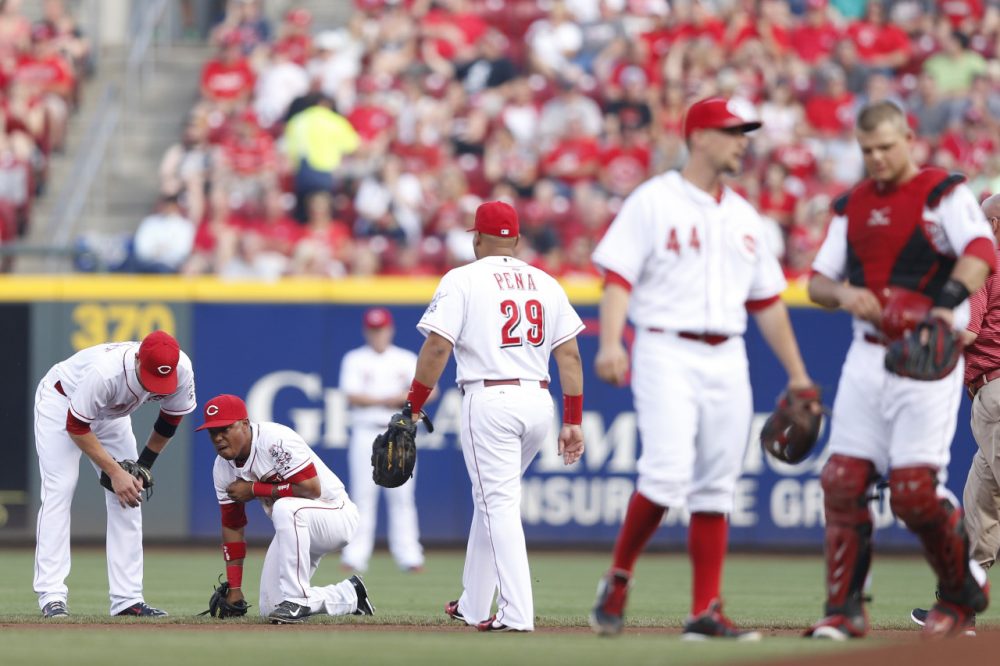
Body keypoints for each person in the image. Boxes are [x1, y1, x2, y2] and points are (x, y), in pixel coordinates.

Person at [588, 97, 819, 640]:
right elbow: (618, 276)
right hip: (665, 347)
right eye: (732, 131)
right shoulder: (653, 200)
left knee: (717, 487)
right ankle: (619, 577)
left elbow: (768, 302)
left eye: (745, 132)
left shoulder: (745, 217)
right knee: (665, 475)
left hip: (727, 355)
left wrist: (799, 374)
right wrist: (613, 340)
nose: (743, 141)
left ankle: (705, 611)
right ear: (699, 137)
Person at [806, 100, 994, 640]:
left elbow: (980, 249)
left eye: (886, 147)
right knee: (842, 480)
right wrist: (844, 293)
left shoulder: (943, 193)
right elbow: (817, 281)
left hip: (926, 348)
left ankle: (959, 591)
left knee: (913, 490)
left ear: (908, 138)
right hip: (867, 353)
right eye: (868, 151)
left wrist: (945, 303)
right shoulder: (852, 205)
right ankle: (843, 608)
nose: (878, 158)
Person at [405, 200, 585, 632]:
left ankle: (516, 613)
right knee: (491, 502)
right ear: (518, 241)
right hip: (538, 403)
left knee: (497, 504)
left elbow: (437, 348)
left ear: (476, 239)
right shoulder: (545, 282)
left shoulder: (463, 278)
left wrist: (413, 406)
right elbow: (571, 355)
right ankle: (472, 603)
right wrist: (573, 419)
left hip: (490, 399)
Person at [33, 331, 196, 618]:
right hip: (63, 402)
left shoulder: (181, 368)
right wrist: (114, 470)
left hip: (112, 416)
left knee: (130, 494)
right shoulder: (106, 373)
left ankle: (127, 599)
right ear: (137, 358)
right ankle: (51, 594)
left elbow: (171, 418)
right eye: (150, 375)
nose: (156, 384)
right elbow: (77, 426)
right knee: (60, 488)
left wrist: (144, 465)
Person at [197, 393, 375, 624]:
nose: (218, 437)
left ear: (244, 424)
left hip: (334, 514)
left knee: (285, 508)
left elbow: (311, 489)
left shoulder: (275, 440)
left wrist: (254, 489)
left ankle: (298, 599)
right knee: (271, 607)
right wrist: (234, 587)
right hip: (295, 529)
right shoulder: (222, 469)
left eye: (224, 429)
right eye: (212, 432)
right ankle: (350, 595)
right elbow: (233, 526)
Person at [910, 193, 1000, 631]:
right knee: (980, 505)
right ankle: (958, 608)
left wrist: (925, 344)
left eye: (983, 223)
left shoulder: (986, 265)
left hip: (995, 390)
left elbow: (965, 330)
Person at [339, 307, 426, 573]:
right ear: (367, 331)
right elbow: (351, 395)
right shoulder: (355, 358)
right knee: (363, 496)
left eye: (382, 329)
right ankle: (355, 555)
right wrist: (392, 398)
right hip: (367, 430)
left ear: (390, 330)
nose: (378, 334)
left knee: (402, 496)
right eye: (374, 330)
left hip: (399, 433)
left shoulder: (406, 358)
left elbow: (428, 393)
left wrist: (392, 399)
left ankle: (410, 556)